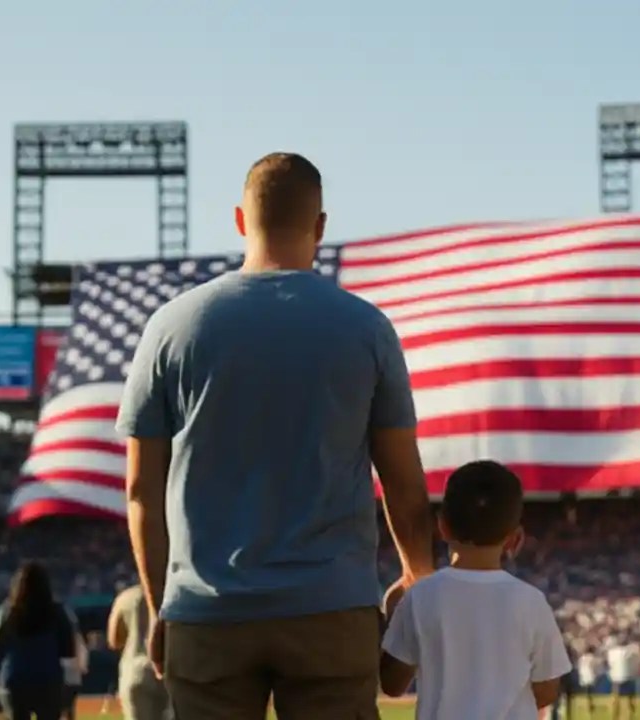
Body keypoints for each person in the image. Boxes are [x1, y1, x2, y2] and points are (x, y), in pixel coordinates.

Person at [117, 151, 436, 720]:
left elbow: (142, 489)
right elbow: (403, 483)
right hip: (332, 610)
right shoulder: (365, 327)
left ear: (241, 220)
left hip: (206, 611)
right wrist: (419, 577)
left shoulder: (170, 327)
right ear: (320, 227)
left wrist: (161, 602)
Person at [379, 460, 571, 718]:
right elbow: (547, 690)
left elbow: (391, 684)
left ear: (442, 526)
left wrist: (391, 615)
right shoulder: (532, 601)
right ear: (515, 540)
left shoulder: (420, 597)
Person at [0, 562, 77, 720]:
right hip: (48, 680)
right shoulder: (57, 613)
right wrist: (71, 688)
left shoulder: (7, 613)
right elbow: (69, 652)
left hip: (13, 679)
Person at [108, 584, 170, 720]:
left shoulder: (125, 598)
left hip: (135, 668)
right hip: (168, 669)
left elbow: (114, 641)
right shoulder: (173, 595)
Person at [59, 606, 87, 720]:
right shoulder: (75, 635)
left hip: (61, 675)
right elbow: (82, 653)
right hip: (73, 676)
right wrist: (82, 668)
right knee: (69, 710)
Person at [605, 638, 640, 720]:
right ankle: (630, 717)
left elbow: (610, 664)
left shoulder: (612, 652)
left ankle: (615, 717)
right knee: (630, 700)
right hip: (629, 677)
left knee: (616, 700)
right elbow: (637, 661)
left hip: (617, 679)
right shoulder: (632, 651)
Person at [575, 645, 604, 717]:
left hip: (584, 676)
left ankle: (589, 704)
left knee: (588, 691)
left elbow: (578, 666)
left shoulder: (582, 658)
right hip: (590, 676)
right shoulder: (592, 658)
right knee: (590, 692)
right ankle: (590, 705)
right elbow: (597, 666)